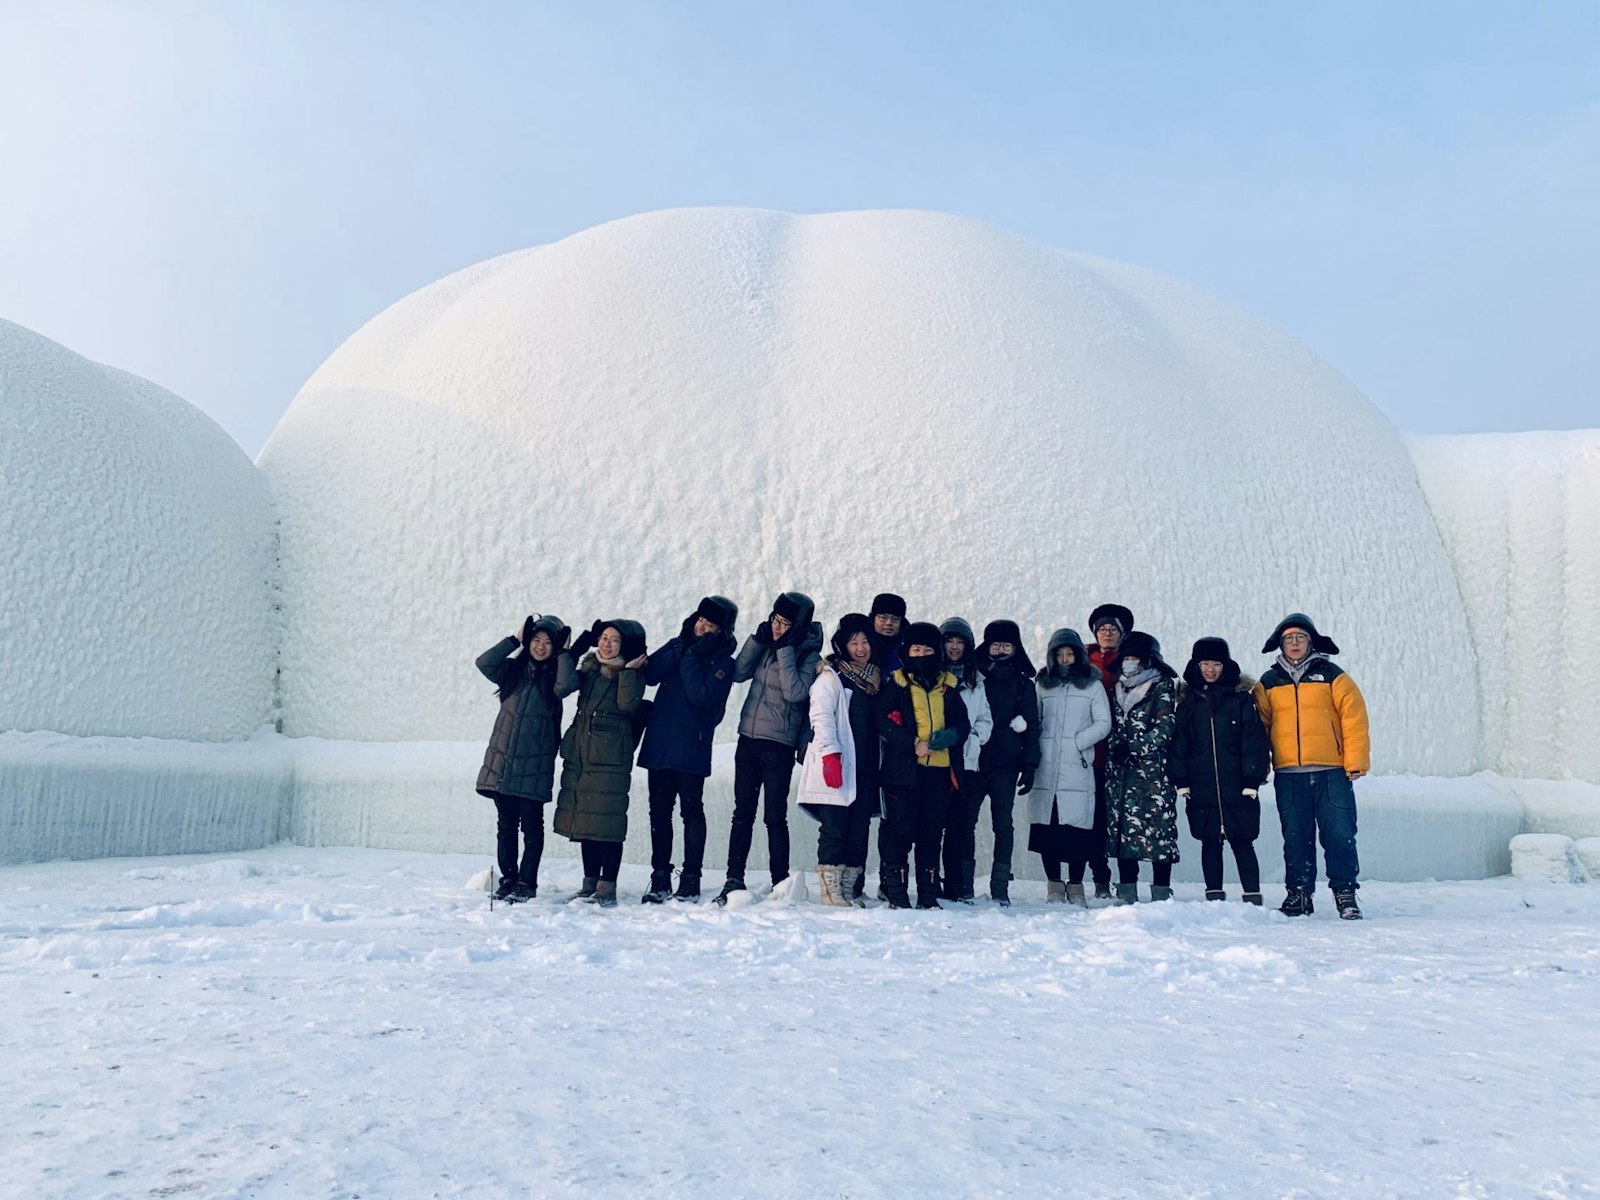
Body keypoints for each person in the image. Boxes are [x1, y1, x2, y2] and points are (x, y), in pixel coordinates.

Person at [1253, 613, 1371, 920]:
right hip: (1289, 774)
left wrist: (1355, 760)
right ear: (1280, 644)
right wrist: (1259, 768)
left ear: (1311, 642)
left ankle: (1346, 895)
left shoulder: (1333, 675)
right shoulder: (1267, 683)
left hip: (1331, 771)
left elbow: (1353, 717)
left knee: (1339, 833)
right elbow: (1260, 728)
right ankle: (1299, 895)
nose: (1294, 643)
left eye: (1300, 638)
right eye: (1288, 639)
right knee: (1295, 836)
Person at [715, 592, 823, 905]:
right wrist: (756, 640)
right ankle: (734, 877)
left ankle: (780, 880)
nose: (777, 627)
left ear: (798, 626)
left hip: (778, 745)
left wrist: (785, 649)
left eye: (785, 623)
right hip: (748, 738)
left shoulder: (810, 656)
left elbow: (795, 692)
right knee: (742, 813)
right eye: (774, 620)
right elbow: (738, 674)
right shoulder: (768, 645)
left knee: (774, 817)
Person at [637, 596, 739, 903]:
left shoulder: (723, 662)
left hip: (690, 747)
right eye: (700, 620)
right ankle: (660, 877)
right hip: (659, 743)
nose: (702, 626)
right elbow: (650, 674)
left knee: (691, 812)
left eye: (710, 624)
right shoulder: (679, 645)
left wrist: (693, 655)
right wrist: (680, 648)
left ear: (722, 631)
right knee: (659, 814)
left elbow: (700, 695)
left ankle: (691, 878)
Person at [475, 614, 577, 902]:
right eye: (536, 640)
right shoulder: (512, 671)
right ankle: (508, 879)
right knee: (506, 826)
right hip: (503, 764)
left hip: (534, 768)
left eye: (548, 643)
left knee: (531, 828)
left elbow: (568, 686)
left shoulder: (555, 677)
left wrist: (566, 653)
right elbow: (483, 662)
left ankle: (527, 883)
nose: (541, 646)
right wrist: (514, 639)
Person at [553, 620, 648, 907]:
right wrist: (567, 653)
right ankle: (589, 883)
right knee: (587, 822)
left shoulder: (634, 673)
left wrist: (628, 672)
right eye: (603, 638)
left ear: (626, 645)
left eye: (614, 640)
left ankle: (608, 887)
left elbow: (627, 704)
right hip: (583, 755)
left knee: (608, 824)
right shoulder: (590, 670)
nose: (606, 644)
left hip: (610, 759)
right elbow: (563, 687)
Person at [1170, 637, 1271, 905]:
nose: (1211, 669)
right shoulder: (1188, 702)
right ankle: (1213, 896)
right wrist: (1181, 780)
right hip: (1201, 785)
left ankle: (1252, 895)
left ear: (1226, 665)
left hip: (1239, 784)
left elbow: (1254, 741)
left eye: (1217, 663)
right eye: (1205, 663)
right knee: (1209, 841)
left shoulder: (1240, 700)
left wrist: (1253, 778)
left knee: (1243, 841)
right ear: (1196, 665)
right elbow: (1179, 743)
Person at [876, 622, 970, 908]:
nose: (922, 655)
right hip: (903, 774)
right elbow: (882, 721)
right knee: (899, 834)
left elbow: (962, 724)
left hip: (939, 773)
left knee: (931, 835)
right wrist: (911, 743)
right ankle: (897, 895)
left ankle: (928, 896)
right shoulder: (897, 684)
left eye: (927, 649)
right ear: (907, 651)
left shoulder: (948, 686)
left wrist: (951, 736)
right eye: (916, 649)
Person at [797, 613, 880, 906]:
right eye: (854, 641)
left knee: (859, 828)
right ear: (843, 645)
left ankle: (848, 889)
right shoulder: (831, 677)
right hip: (838, 763)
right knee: (835, 827)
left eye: (865, 641)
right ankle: (830, 890)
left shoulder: (874, 680)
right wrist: (830, 753)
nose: (860, 647)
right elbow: (820, 716)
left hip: (866, 767)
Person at [1029, 628, 1112, 905]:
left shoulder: (1092, 685)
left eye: (1070, 653)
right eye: (1060, 654)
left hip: (1077, 766)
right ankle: (1054, 883)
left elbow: (1104, 723)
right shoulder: (1043, 684)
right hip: (1047, 765)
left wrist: (1078, 743)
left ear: (1078, 656)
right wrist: (1039, 743)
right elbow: (1035, 719)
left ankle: (1075, 884)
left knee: (1077, 828)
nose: (1065, 659)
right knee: (1047, 825)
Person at [1104, 630, 1180, 903]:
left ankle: (1161, 892)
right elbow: (1108, 724)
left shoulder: (1162, 686)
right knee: (1125, 831)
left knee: (1158, 832)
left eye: (1136, 658)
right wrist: (1116, 748)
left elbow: (1166, 727)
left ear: (1148, 660)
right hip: (1120, 773)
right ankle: (1127, 891)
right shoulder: (1115, 686)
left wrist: (1135, 747)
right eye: (1127, 657)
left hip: (1153, 773)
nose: (1130, 663)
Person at [971, 619, 1040, 906]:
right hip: (973, 762)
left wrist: (1030, 765)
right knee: (965, 822)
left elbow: (1032, 725)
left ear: (1016, 647)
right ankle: (961, 882)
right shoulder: (972, 677)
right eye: (995, 643)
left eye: (1006, 644)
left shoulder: (1023, 683)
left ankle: (1000, 886)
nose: (1000, 650)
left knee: (1003, 824)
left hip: (1006, 763)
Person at [937, 617, 994, 903]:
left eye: (960, 642)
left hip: (968, 763)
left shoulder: (976, 680)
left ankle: (959, 884)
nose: (955, 647)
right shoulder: (933, 674)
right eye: (950, 641)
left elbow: (986, 718)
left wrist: (974, 737)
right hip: (937, 761)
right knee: (935, 824)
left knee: (962, 826)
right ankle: (932, 880)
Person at [1084, 603, 1134, 899]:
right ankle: (1100, 878)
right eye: (1102, 628)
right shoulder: (1082, 659)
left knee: (1123, 819)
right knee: (1094, 820)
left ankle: (1127, 881)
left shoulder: (1131, 661)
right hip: (1090, 754)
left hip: (1121, 753)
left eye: (1113, 628)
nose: (1107, 633)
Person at [868, 593, 907, 672]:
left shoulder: (909, 648)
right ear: (873, 619)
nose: (889, 623)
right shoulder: (862, 647)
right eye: (883, 618)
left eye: (895, 619)